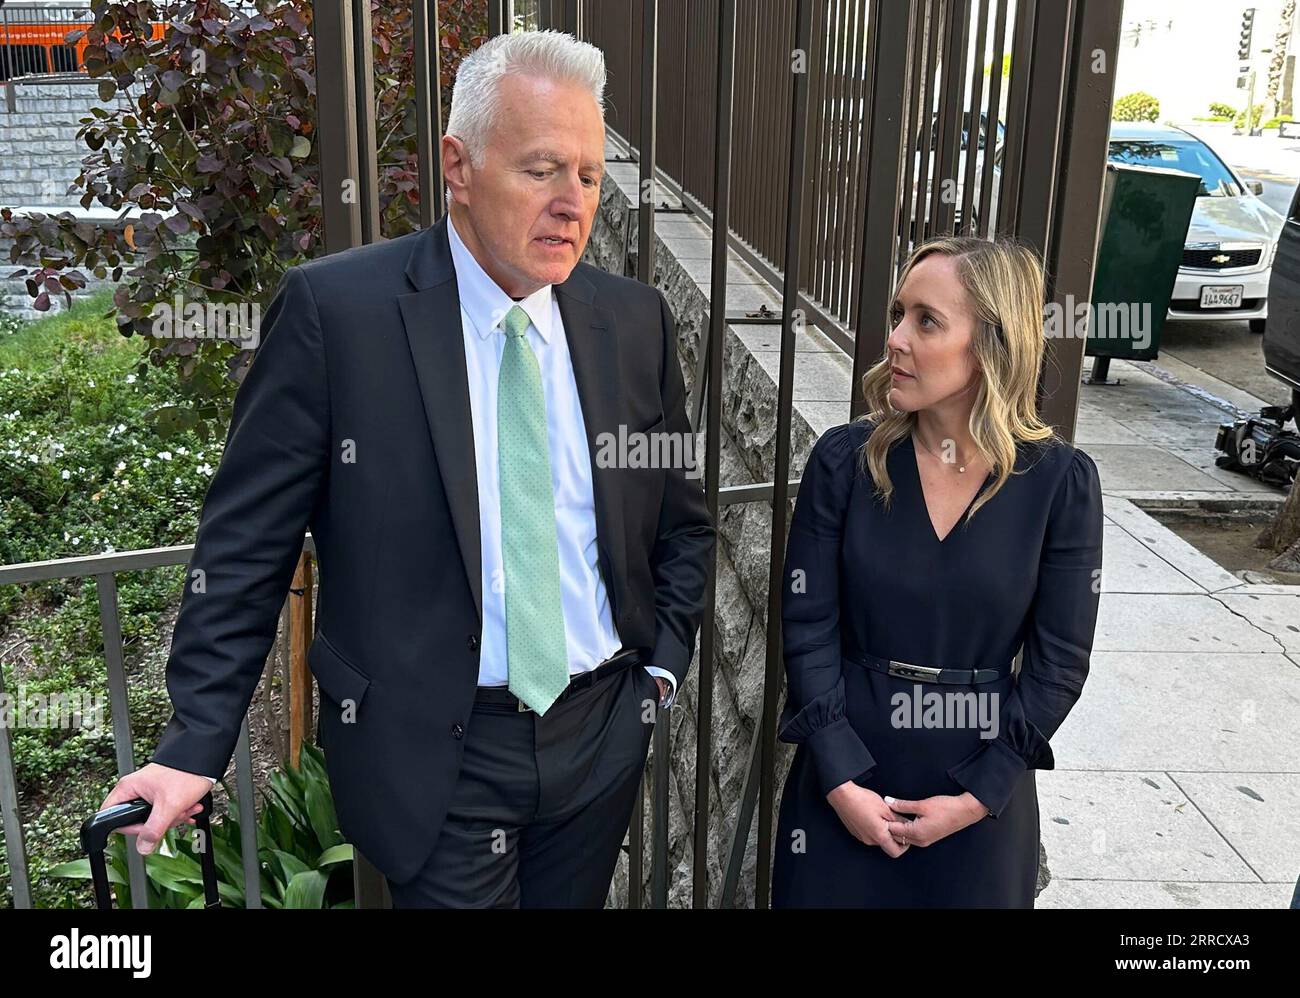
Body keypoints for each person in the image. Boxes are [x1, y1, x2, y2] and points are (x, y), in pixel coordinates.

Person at [97, 30, 714, 908]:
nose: (573, 202)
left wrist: (657, 676)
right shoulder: (336, 315)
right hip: (435, 753)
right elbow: (245, 547)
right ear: (458, 166)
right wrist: (195, 742)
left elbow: (682, 517)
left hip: (599, 736)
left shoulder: (635, 320)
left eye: (586, 173)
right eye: (542, 169)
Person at [771, 235, 1103, 907]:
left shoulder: (1060, 485)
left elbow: (1059, 662)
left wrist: (981, 794)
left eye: (925, 320)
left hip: (977, 790)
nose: (895, 338)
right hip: (845, 782)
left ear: (990, 345)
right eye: (898, 313)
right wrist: (838, 779)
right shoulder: (845, 462)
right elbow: (806, 629)